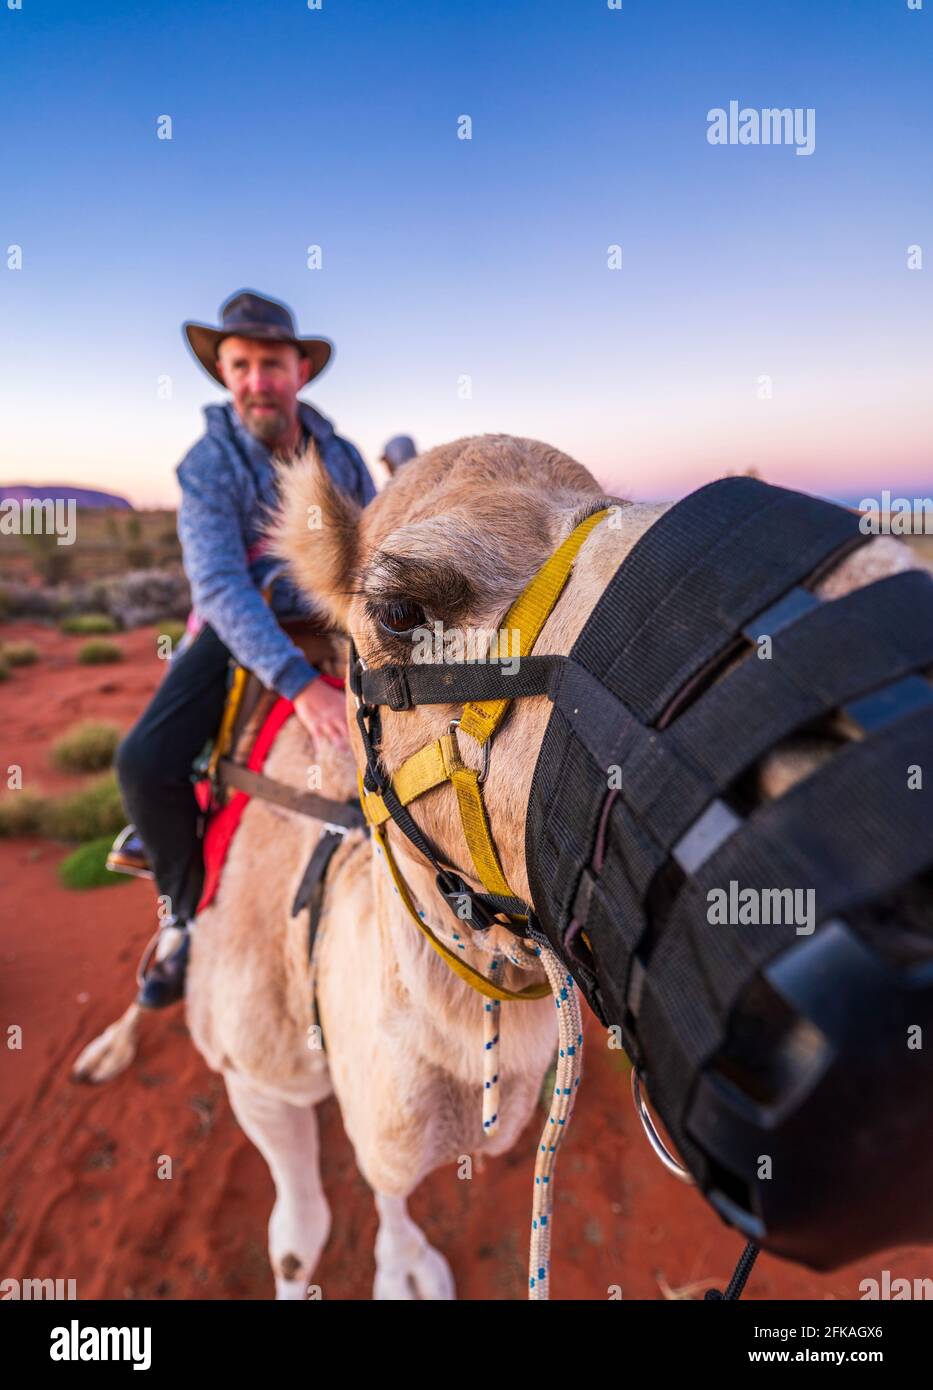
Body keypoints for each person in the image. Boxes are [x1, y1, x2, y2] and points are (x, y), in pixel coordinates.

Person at [115, 289, 375, 1008]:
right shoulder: (207, 466)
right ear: (224, 374)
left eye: (271, 363)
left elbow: (371, 547)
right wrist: (298, 683)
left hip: (337, 615)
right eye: (241, 365)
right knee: (142, 764)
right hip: (246, 628)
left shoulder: (342, 457)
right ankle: (183, 913)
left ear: (300, 371)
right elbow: (221, 586)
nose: (257, 380)